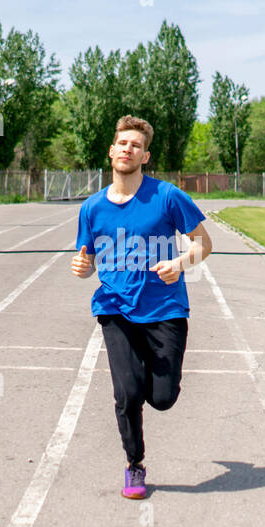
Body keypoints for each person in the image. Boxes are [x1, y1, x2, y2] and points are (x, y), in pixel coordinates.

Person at [71, 115, 212, 499]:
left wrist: (180, 263)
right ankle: (134, 464)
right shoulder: (92, 208)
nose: (127, 149)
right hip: (115, 308)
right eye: (122, 143)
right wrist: (83, 268)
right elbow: (88, 261)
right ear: (111, 151)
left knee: (162, 398)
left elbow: (203, 243)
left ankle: (153, 374)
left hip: (165, 309)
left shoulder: (167, 197)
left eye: (136, 145)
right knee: (127, 393)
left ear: (145, 155)